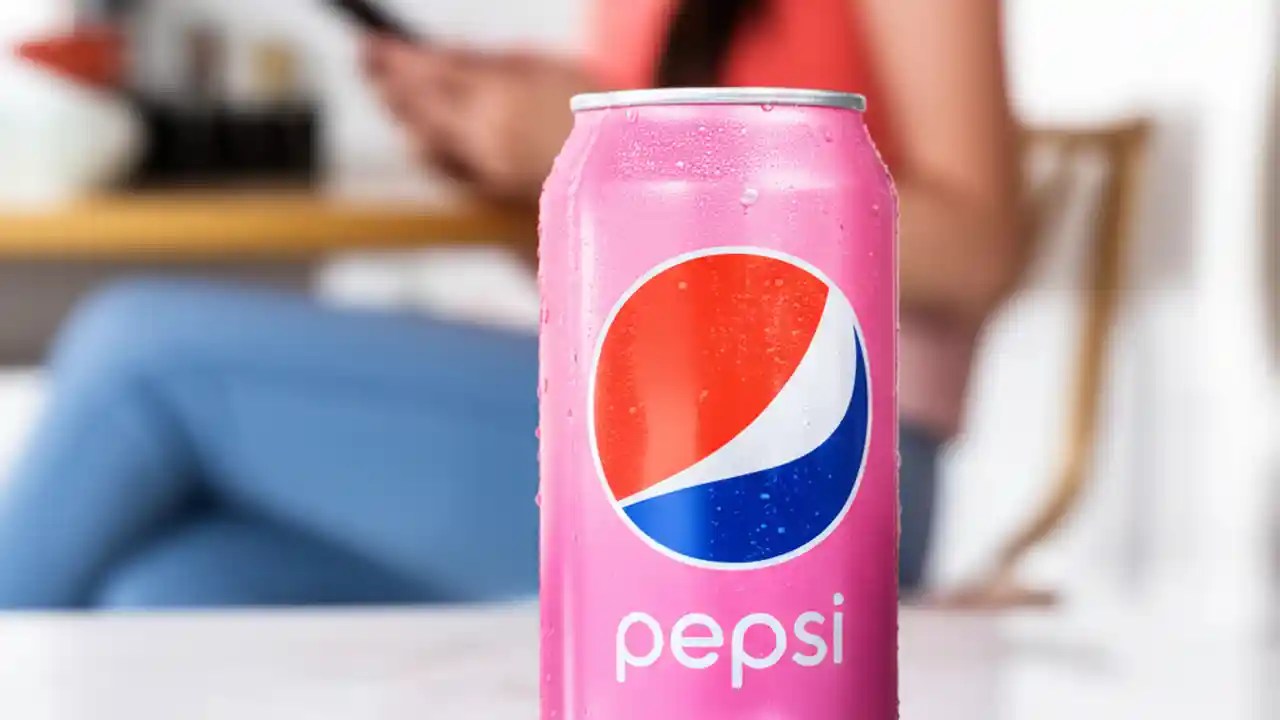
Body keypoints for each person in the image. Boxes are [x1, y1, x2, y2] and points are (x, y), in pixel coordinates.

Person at [0, 0, 1020, 608]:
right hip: (651, 427)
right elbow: (658, 281)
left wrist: (604, 146)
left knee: (136, 352)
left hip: (829, 476)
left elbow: (975, 249)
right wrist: (514, 159)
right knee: (171, 593)